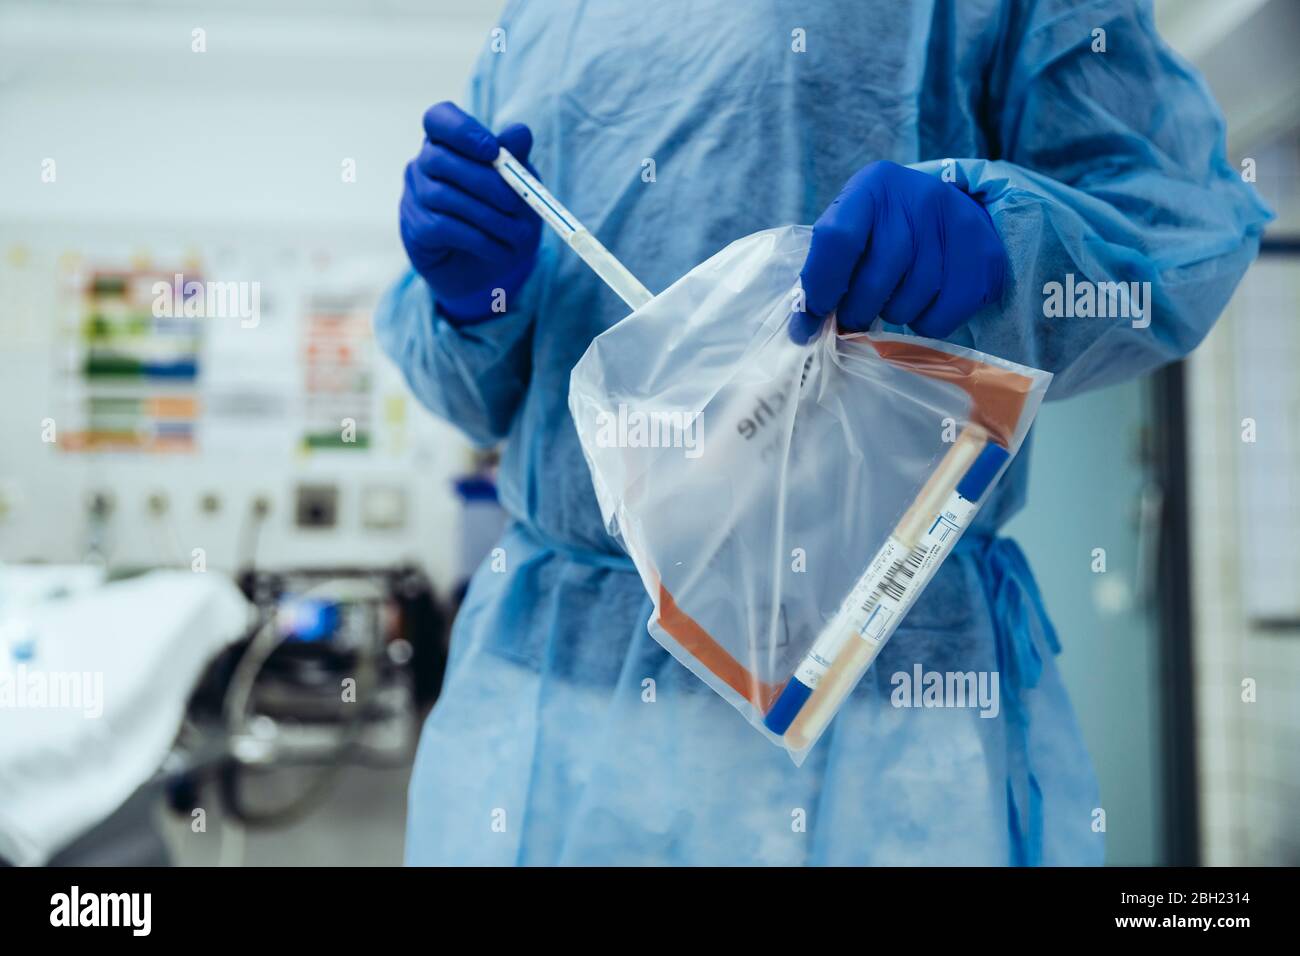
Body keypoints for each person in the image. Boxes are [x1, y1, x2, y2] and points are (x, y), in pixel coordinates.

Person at [377, 0, 1269, 865]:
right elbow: (476, 399)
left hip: (882, 704)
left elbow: (1179, 228)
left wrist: (1006, 241)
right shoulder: (537, 19)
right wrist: (474, 298)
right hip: (550, 718)